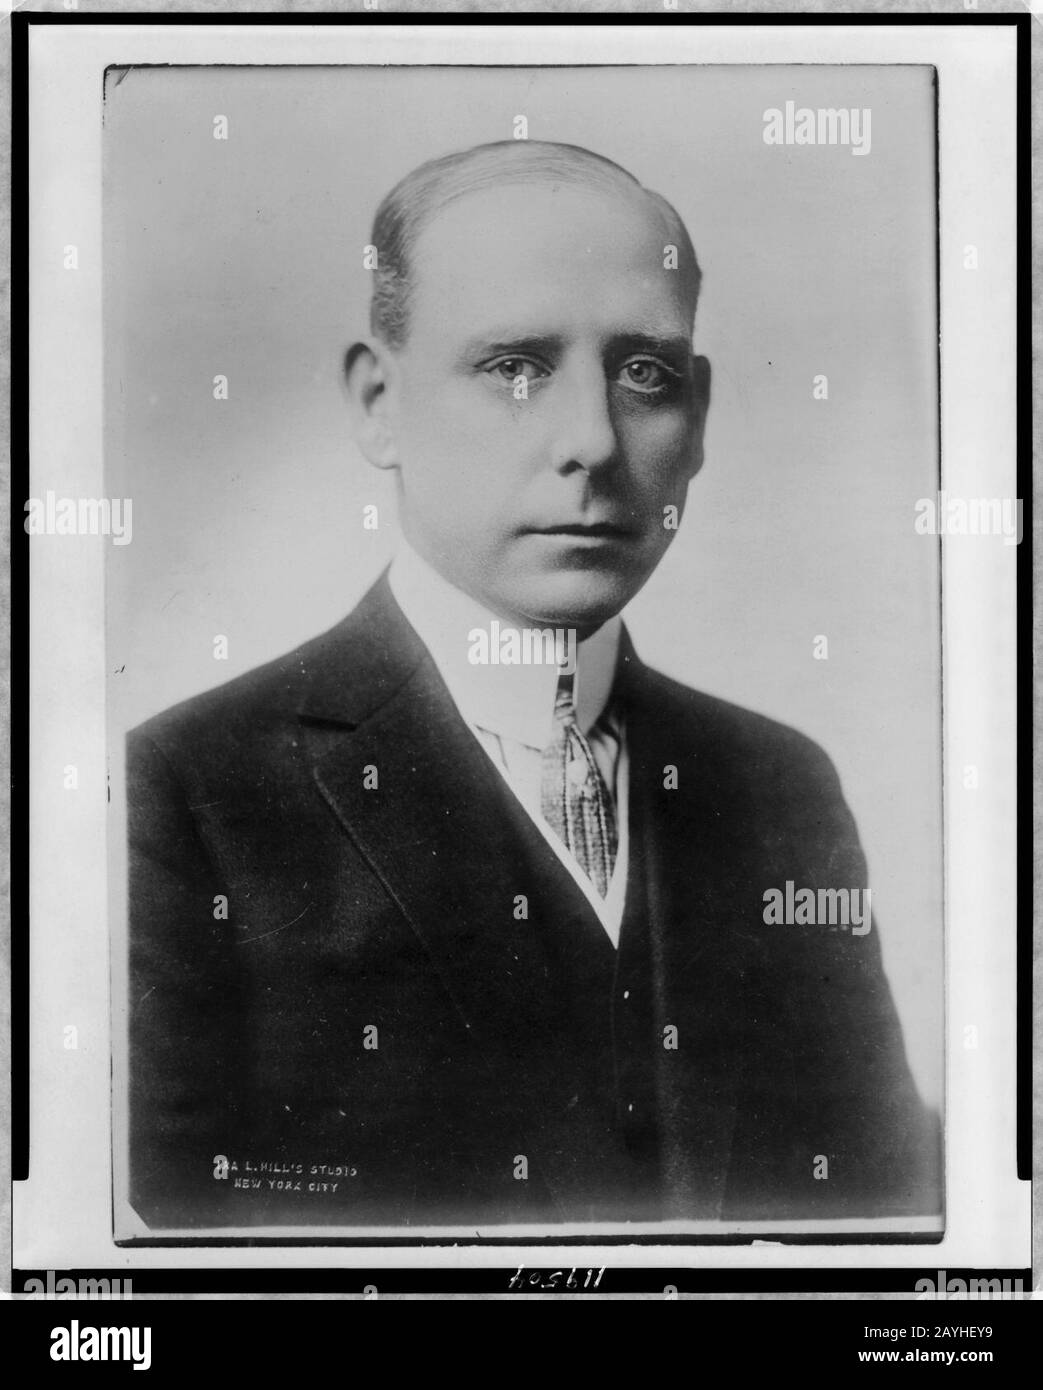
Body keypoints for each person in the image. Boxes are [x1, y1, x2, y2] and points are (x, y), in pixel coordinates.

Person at [126, 139, 939, 1231]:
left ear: (695, 417)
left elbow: (879, 1216)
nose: (592, 441)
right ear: (378, 403)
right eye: (513, 366)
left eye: (642, 372)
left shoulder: (778, 787)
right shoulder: (184, 795)